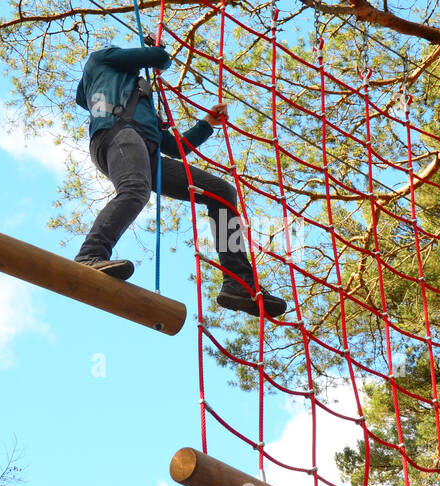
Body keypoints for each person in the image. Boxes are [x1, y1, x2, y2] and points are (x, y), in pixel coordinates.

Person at [73, 38, 288, 318]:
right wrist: (156, 49)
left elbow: (176, 147)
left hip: (144, 148)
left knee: (221, 192)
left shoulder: (141, 104)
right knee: (136, 190)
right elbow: (157, 57)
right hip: (116, 135)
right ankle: (90, 254)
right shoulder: (101, 59)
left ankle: (238, 282)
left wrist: (207, 124)